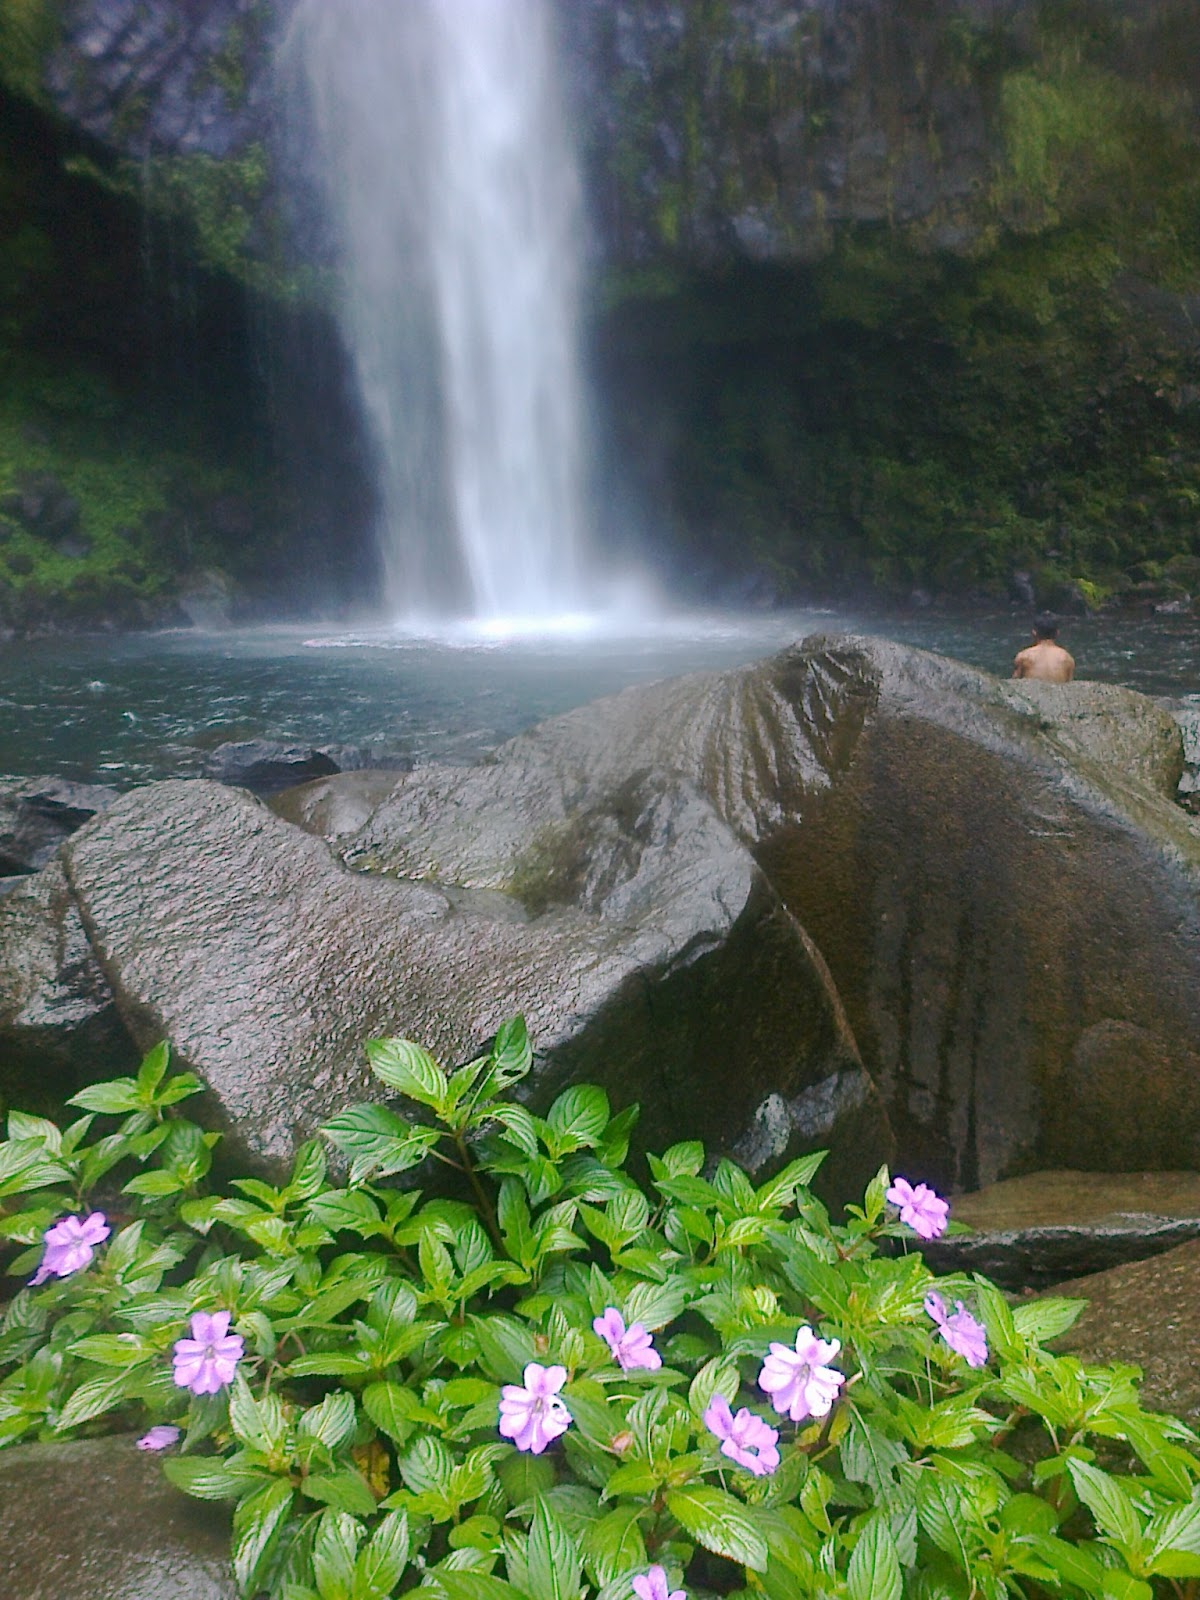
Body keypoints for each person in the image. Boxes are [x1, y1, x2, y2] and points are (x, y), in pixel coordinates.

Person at [1012, 616, 1075, 682]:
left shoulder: (1024, 656)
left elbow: (1014, 684)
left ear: (1034, 632)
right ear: (1057, 633)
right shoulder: (1067, 658)